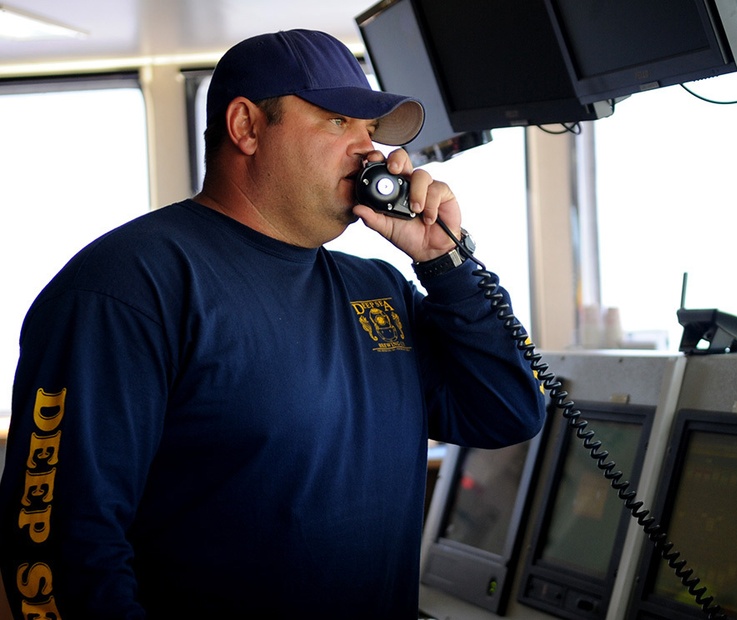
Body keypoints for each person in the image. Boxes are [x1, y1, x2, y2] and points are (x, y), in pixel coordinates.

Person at [0, 29, 545, 619]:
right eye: (338, 122)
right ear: (247, 127)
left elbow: (507, 412)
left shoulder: (378, 289)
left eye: (371, 130)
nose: (370, 152)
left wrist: (448, 265)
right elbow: (58, 553)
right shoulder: (127, 287)